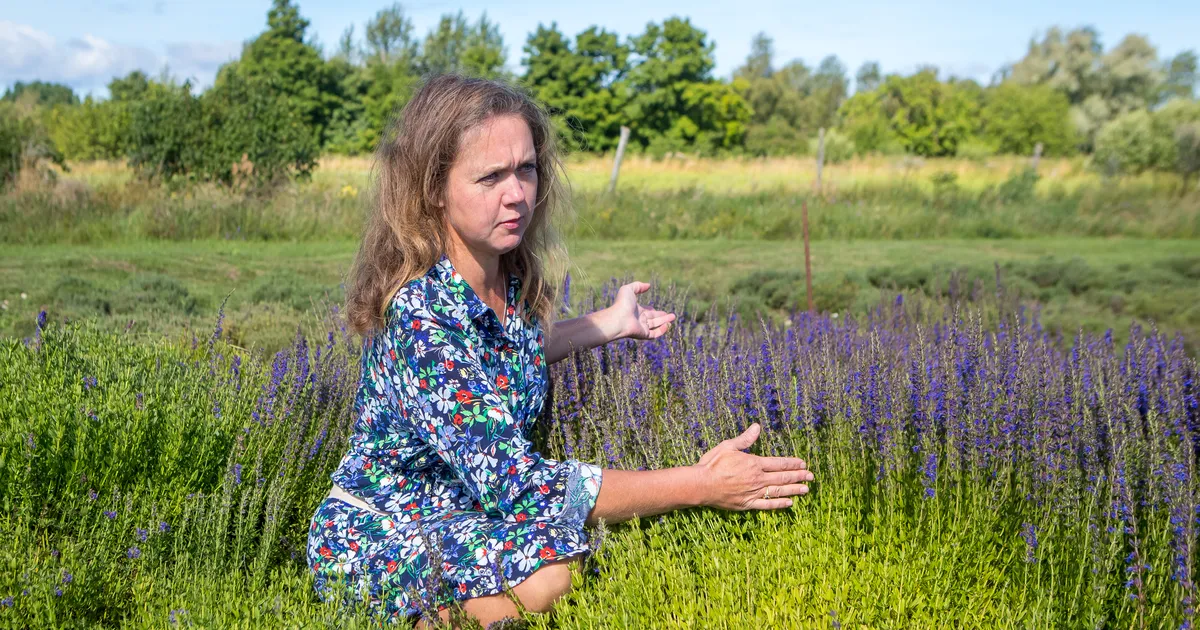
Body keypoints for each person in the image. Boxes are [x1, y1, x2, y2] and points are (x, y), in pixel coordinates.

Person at [306, 74, 815, 628]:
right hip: (381, 531)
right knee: (554, 570)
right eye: (490, 177)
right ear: (434, 190)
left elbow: (504, 351)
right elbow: (522, 486)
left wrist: (609, 324)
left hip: (463, 518)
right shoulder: (421, 317)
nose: (517, 193)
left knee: (570, 551)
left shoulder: (505, 278)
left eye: (526, 169)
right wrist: (701, 483)